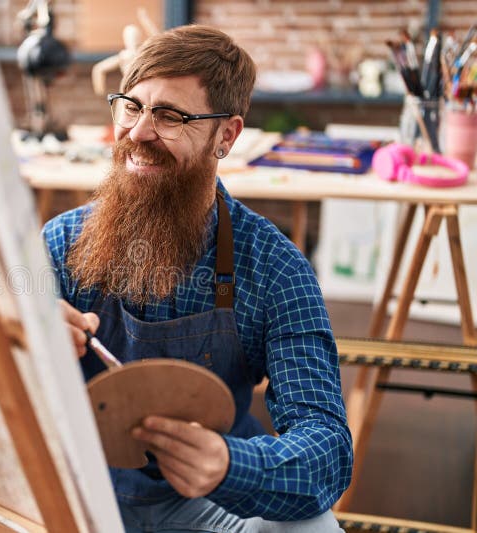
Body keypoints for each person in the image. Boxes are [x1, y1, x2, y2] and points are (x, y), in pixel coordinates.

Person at [42, 25, 352, 532]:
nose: (139, 132)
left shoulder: (274, 267)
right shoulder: (60, 243)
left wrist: (231, 465)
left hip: (206, 500)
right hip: (76, 490)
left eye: (170, 116)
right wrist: (22, 340)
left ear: (226, 136)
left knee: (313, 528)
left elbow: (328, 446)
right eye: (131, 106)